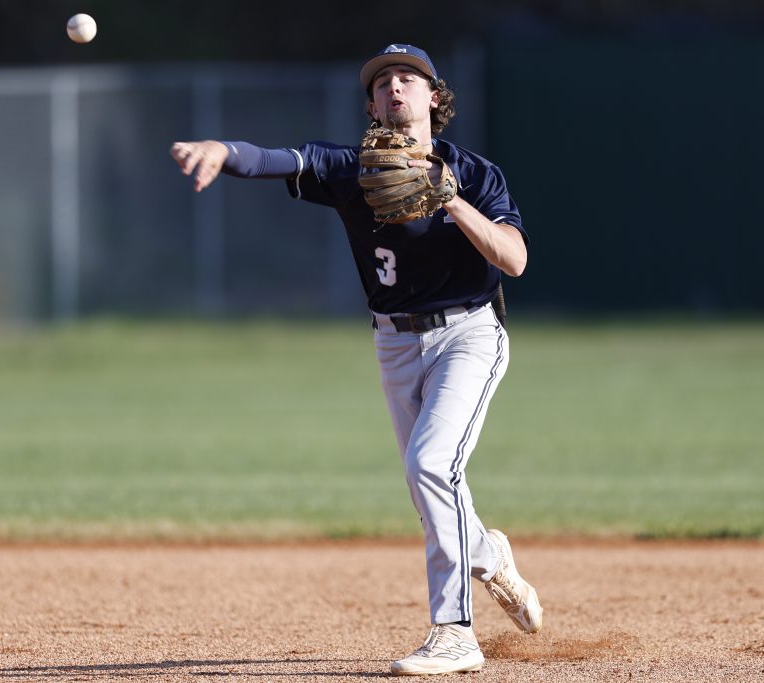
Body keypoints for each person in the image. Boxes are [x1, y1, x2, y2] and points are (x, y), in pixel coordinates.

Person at [170, 43, 542, 676]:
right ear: (371, 104)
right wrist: (222, 151)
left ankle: (455, 634)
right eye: (382, 82)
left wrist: (448, 198)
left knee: (430, 463)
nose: (395, 87)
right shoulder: (348, 170)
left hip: (469, 335)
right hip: (393, 341)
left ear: (434, 97)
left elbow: (514, 259)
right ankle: (488, 555)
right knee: (429, 489)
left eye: (408, 78)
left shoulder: (476, 174)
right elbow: (270, 158)